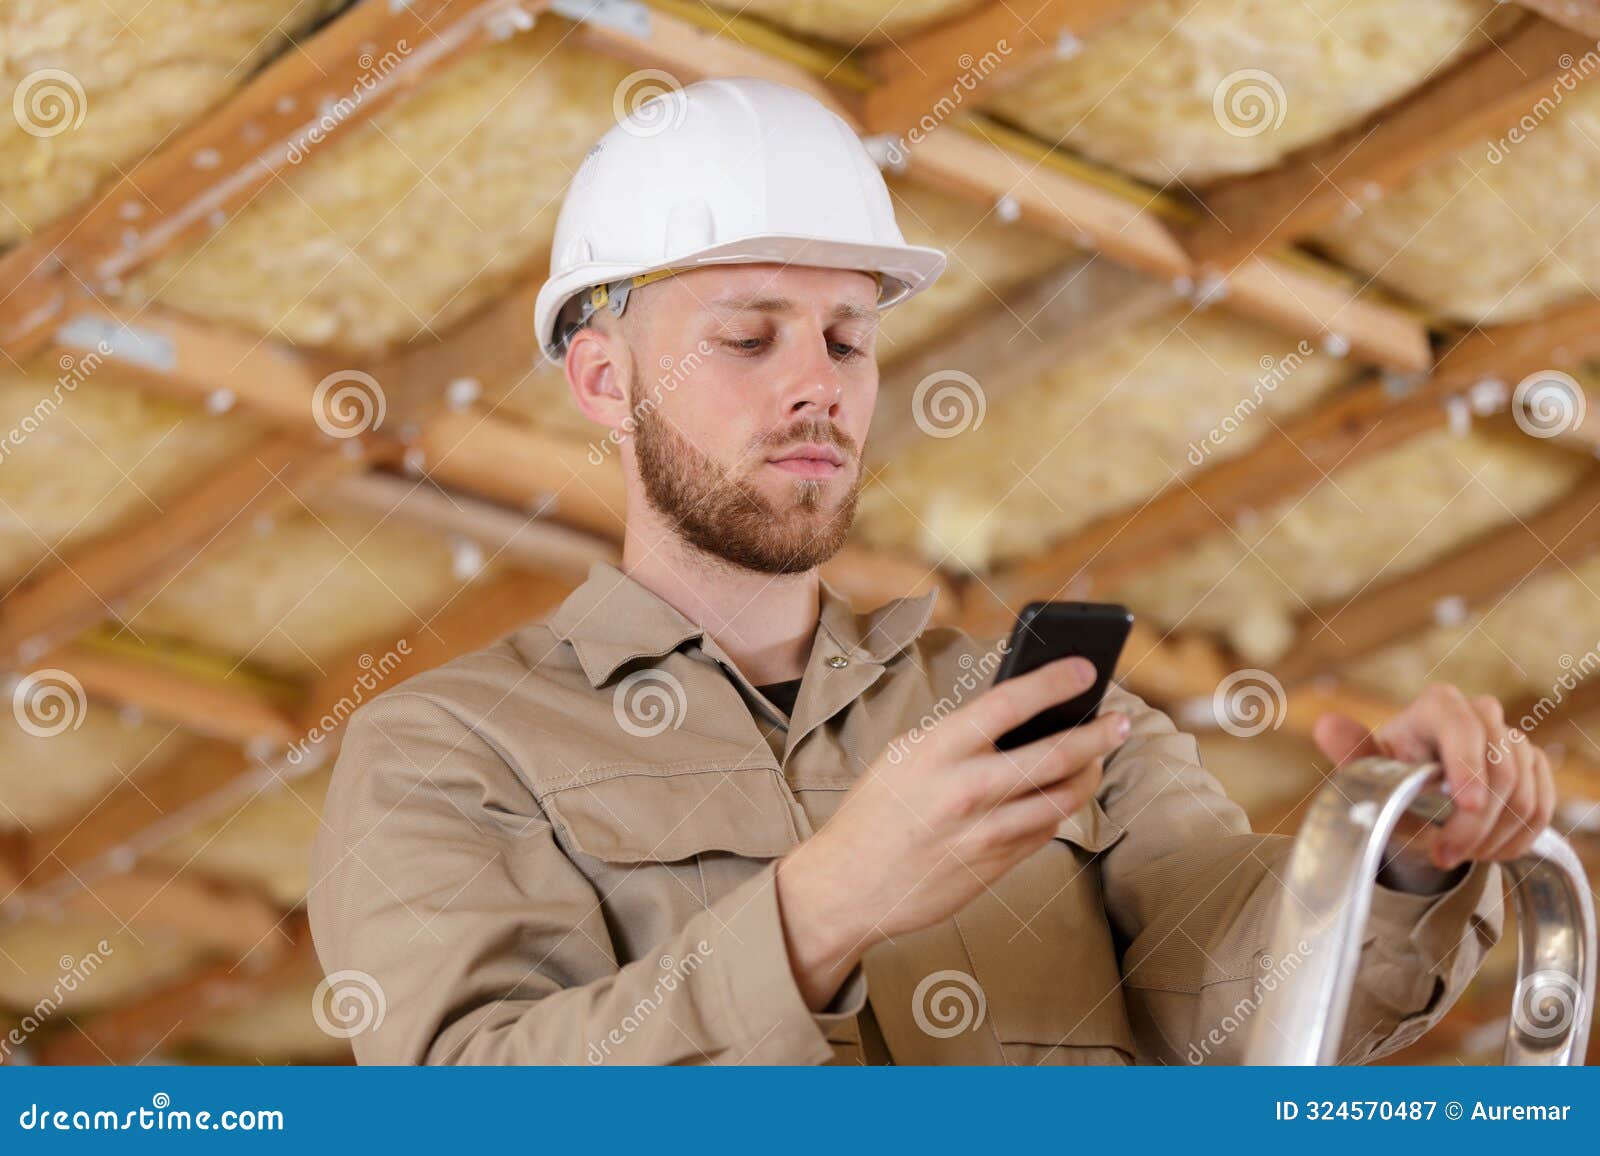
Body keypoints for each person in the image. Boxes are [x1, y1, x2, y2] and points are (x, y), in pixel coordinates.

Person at [308, 77, 1553, 1065]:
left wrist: (1392, 862)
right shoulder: (450, 749)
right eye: (748, 336)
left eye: (847, 338)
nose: (817, 383)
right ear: (601, 378)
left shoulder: (1038, 711)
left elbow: (1242, 1011)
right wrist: (823, 907)